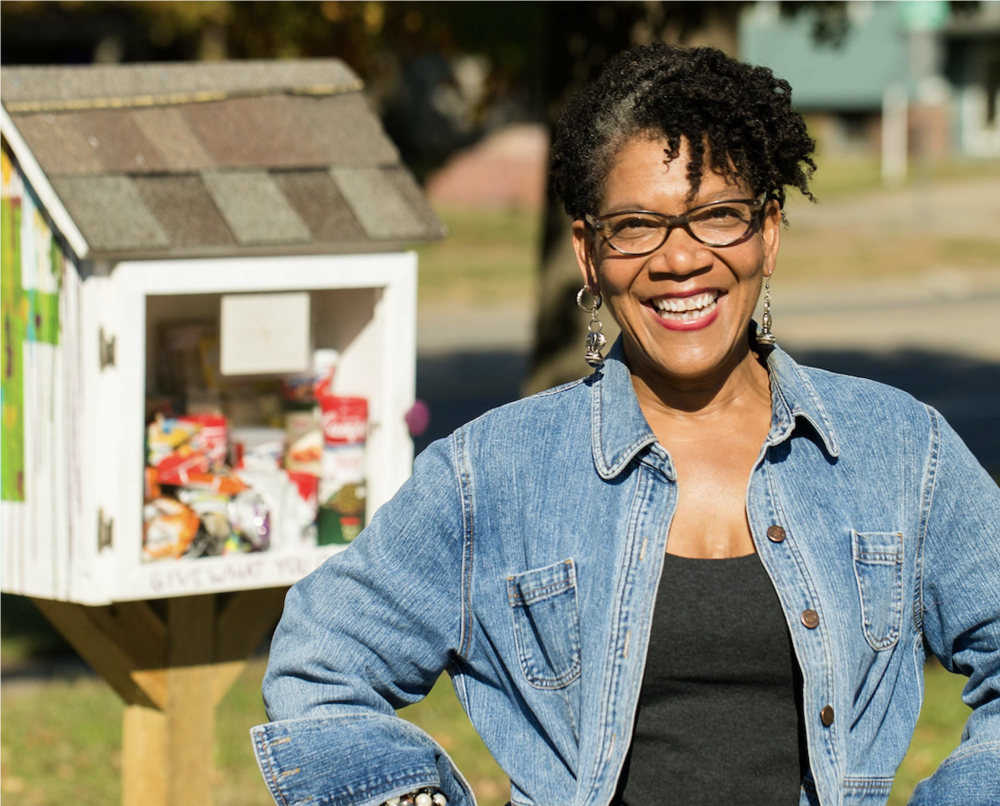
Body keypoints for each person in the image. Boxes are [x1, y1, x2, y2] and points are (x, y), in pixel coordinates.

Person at [251, 44, 1000, 806]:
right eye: (636, 225)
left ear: (768, 233)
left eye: (716, 217)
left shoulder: (902, 449)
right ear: (588, 253)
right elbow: (320, 663)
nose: (679, 259)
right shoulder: (496, 472)